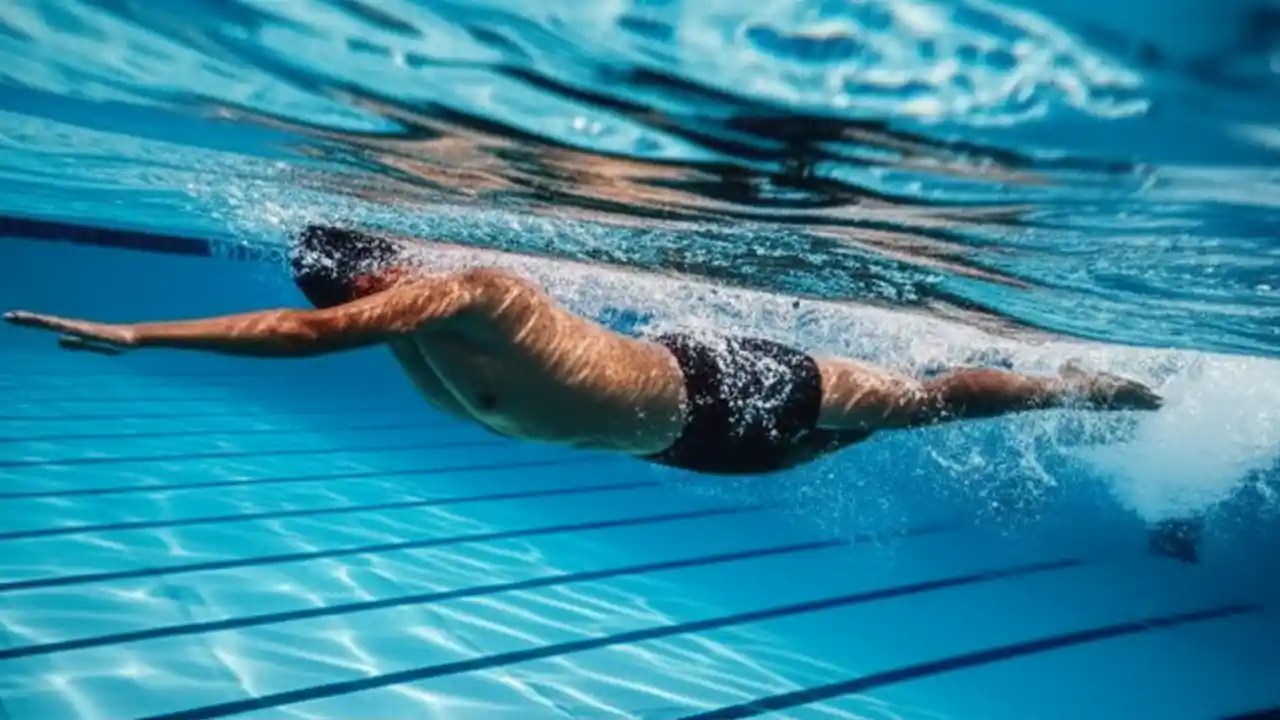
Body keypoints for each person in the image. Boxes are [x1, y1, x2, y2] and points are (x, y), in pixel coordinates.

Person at [4, 225, 1162, 475]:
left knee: (910, 405)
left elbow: (309, 334)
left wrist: (140, 330)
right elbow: (321, 323)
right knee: (835, 443)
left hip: (717, 379)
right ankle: (1027, 389)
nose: (354, 303)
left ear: (381, 272)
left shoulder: (466, 287)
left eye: (353, 285)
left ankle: (1067, 385)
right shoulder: (408, 327)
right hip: (685, 446)